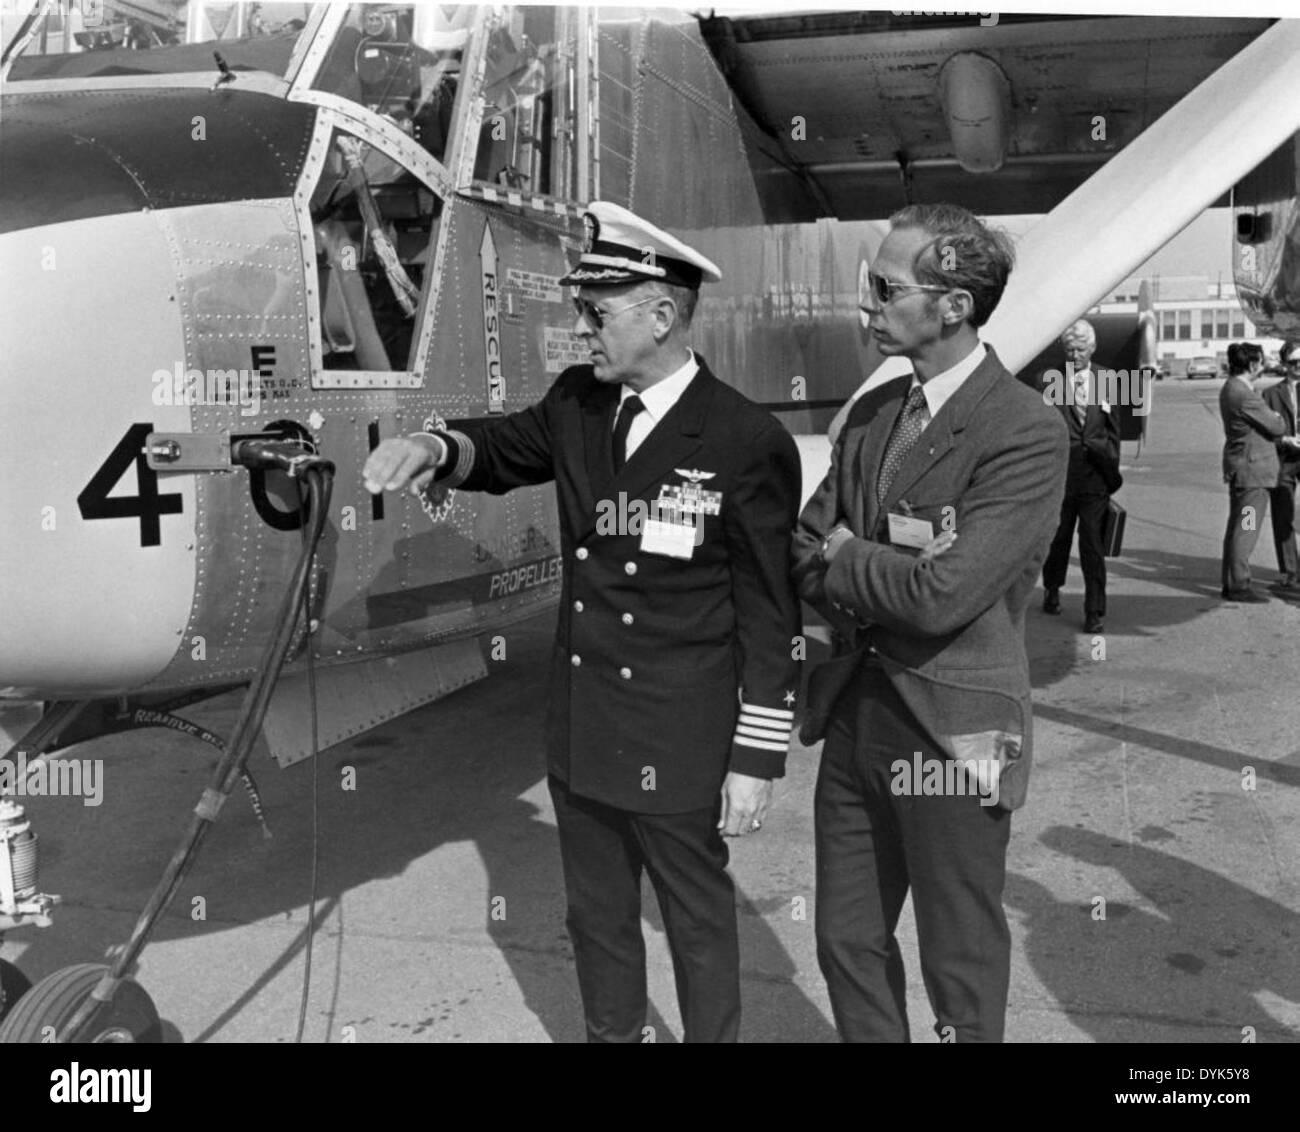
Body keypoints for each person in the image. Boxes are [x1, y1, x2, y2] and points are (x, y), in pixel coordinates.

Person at [363, 201, 802, 1043]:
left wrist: (755, 758)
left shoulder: (744, 438)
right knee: (596, 918)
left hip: (679, 735)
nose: (581, 331)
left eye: (597, 314)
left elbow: (769, 610)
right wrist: (435, 446)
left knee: (696, 922)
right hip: (584, 726)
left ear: (661, 316)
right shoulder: (579, 403)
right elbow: (503, 447)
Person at [792, 202, 1067, 1043]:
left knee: (959, 957)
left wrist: (847, 552)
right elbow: (802, 544)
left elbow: (942, 596)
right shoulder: (875, 413)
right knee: (846, 940)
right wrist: (861, 557)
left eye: (885, 288)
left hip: (955, 731)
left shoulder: (1024, 430)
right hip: (855, 713)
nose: (865, 303)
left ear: (953, 305)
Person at [1040, 319, 1123, 633]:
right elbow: (1044, 430)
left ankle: (1094, 610)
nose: (1075, 355)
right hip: (1061, 478)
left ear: (1093, 348)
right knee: (1058, 539)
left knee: (1092, 545)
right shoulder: (1052, 380)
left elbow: (1114, 431)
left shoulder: (1108, 380)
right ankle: (1052, 588)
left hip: (1095, 477)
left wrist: (1111, 470)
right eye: (1070, 350)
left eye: (1081, 350)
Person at [1219, 341, 1286, 602]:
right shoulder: (1244, 394)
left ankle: (1231, 581)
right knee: (1246, 528)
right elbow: (1276, 426)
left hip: (1244, 469)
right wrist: (1277, 418)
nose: (1264, 365)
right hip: (1252, 473)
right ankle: (1239, 585)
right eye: (1262, 360)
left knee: (1237, 528)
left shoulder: (1233, 388)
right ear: (1253, 364)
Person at [1262, 338, 1300, 594]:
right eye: (1294, 361)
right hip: (1284, 459)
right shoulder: (1270, 394)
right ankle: (1290, 571)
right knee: (1282, 515)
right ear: (1285, 363)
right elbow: (1264, 429)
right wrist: (1284, 439)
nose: (1299, 366)